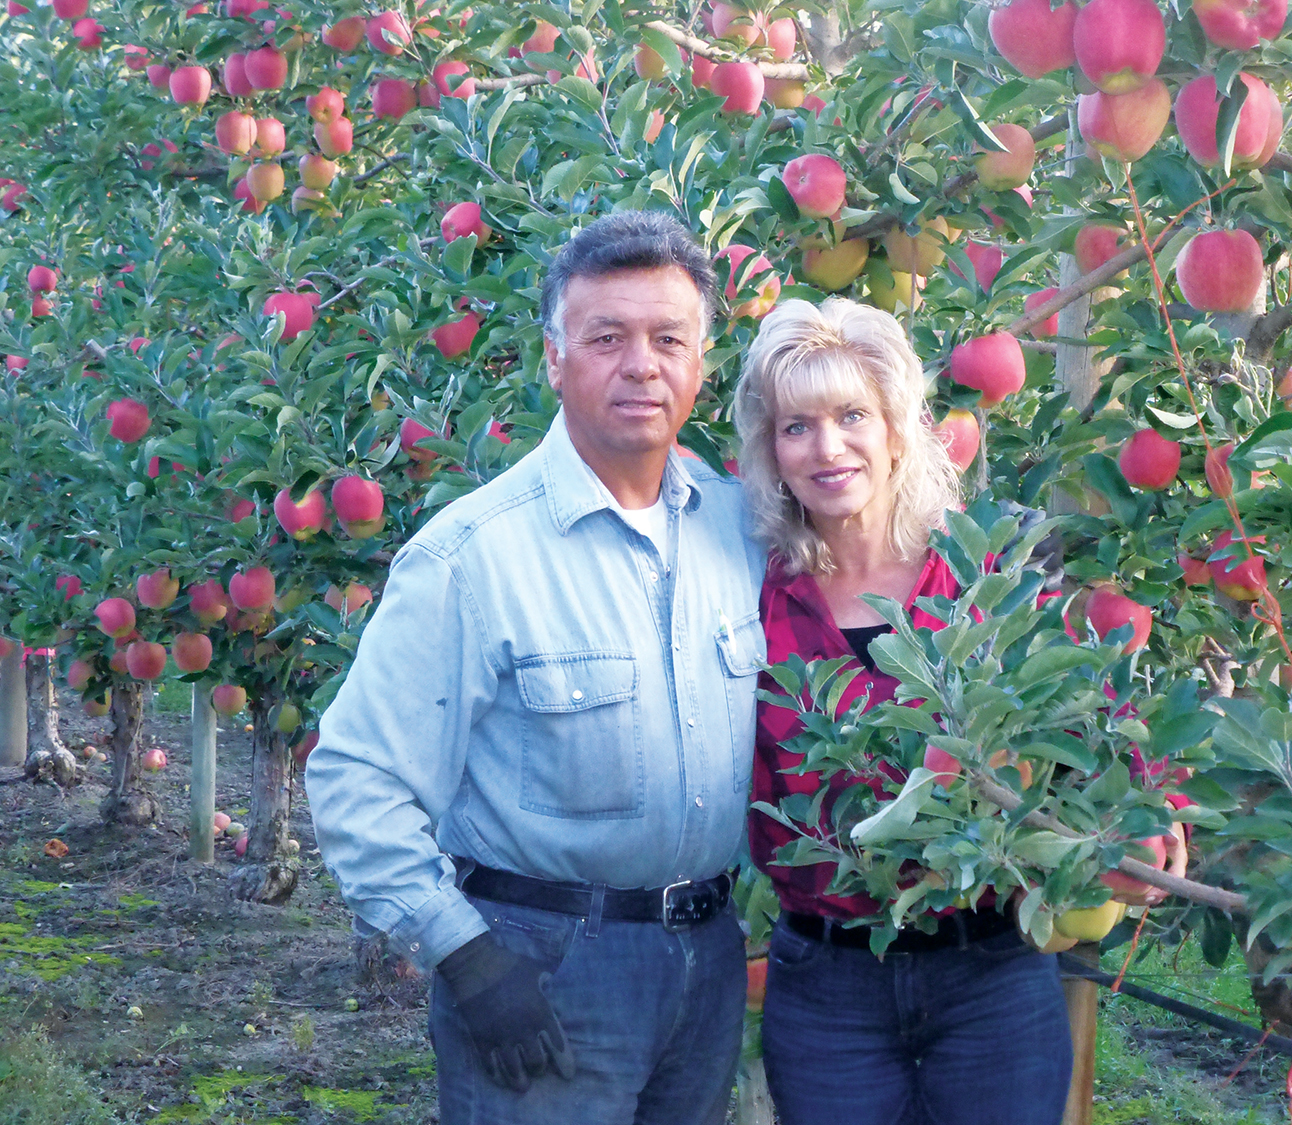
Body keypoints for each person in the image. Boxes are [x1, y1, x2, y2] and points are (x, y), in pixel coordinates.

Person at [305, 210, 766, 1125]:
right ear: (555, 359)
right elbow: (357, 778)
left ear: (701, 363)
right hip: (544, 966)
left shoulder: (742, 530)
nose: (641, 365)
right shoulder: (471, 558)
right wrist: (467, 957)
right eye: (607, 338)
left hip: (708, 959)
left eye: (668, 339)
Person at [732, 296, 1076, 1125]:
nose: (828, 447)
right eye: (797, 426)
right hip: (827, 983)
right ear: (772, 451)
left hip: (989, 969)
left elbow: (1087, 712)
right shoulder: (750, 591)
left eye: (852, 415)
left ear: (898, 428)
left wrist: (1150, 804)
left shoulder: (985, 569)